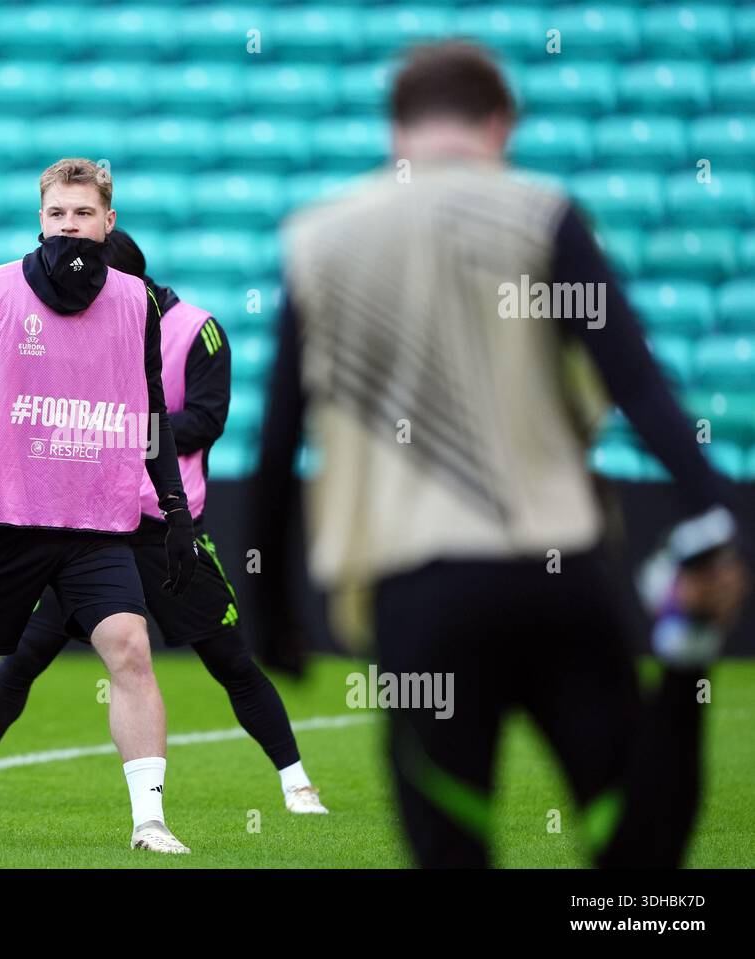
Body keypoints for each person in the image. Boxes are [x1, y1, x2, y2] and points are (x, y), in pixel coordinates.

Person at [253, 42, 749, 867]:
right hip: (560, 569)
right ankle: (684, 651)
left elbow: (277, 442)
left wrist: (275, 615)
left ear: (396, 130)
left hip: (417, 591)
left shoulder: (319, 238)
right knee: (635, 860)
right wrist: (717, 508)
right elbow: (639, 385)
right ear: (500, 124)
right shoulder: (541, 210)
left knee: (452, 848)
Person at [0, 229, 327, 817]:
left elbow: (205, 419)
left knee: (229, 658)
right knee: (20, 661)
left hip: (163, 525)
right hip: (86, 520)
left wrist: (119, 431)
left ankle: (296, 782)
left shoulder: (195, 329)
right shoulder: (73, 318)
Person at [0, 160, 199, 853]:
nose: (68, 225)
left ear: (108, 221)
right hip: (7, 517)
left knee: (131, 654)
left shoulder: (139, 303)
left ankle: (150, 821)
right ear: (39, 218)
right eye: (55, 214)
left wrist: (175, 507)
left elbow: (154, 413)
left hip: (98, 523)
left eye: (81, 213)